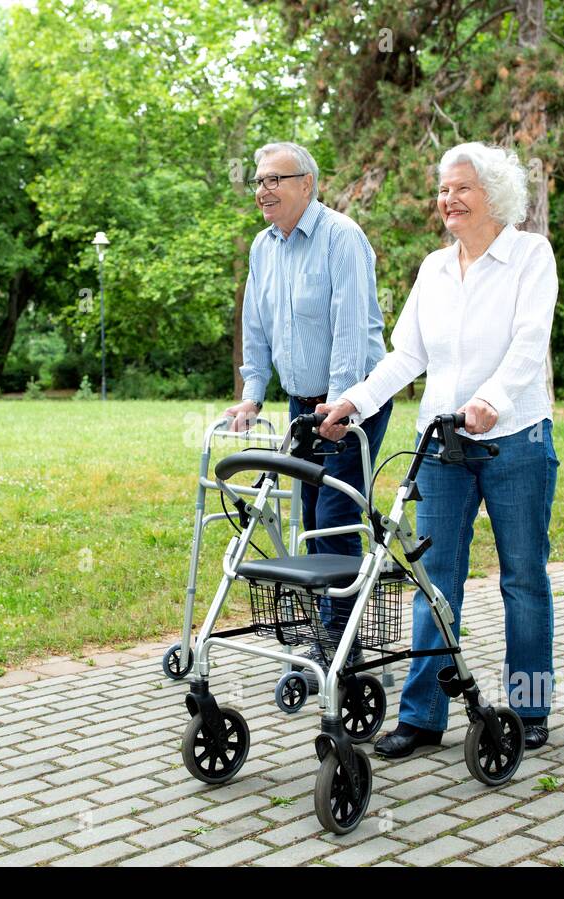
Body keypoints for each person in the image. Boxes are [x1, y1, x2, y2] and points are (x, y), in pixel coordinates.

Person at [318, 141, 560, 755]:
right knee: (434, 579)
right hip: (443, 444)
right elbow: (407, 356)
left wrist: (492, 399)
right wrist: (355, 401)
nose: (447, 199)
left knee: (523, 578)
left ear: (493, 195)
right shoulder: (433, 267)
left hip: (516, 440)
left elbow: (530, 344)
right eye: (443, 189)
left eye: (461, 189)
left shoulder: (531, 256)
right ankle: (423, 716)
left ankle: (530, 708)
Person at [225, 141, 392, 664]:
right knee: (312, 512)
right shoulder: (263, 247)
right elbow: (255, 324)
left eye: (274, 179)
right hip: (304, 402)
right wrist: (253, 395)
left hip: (355, 397)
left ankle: (341, 643)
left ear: (306, 184)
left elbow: (349, 328)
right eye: (257, 181)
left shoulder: (342, 238)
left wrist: (341, 404)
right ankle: (332, 630)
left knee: (338, 511)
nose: (262, 190)